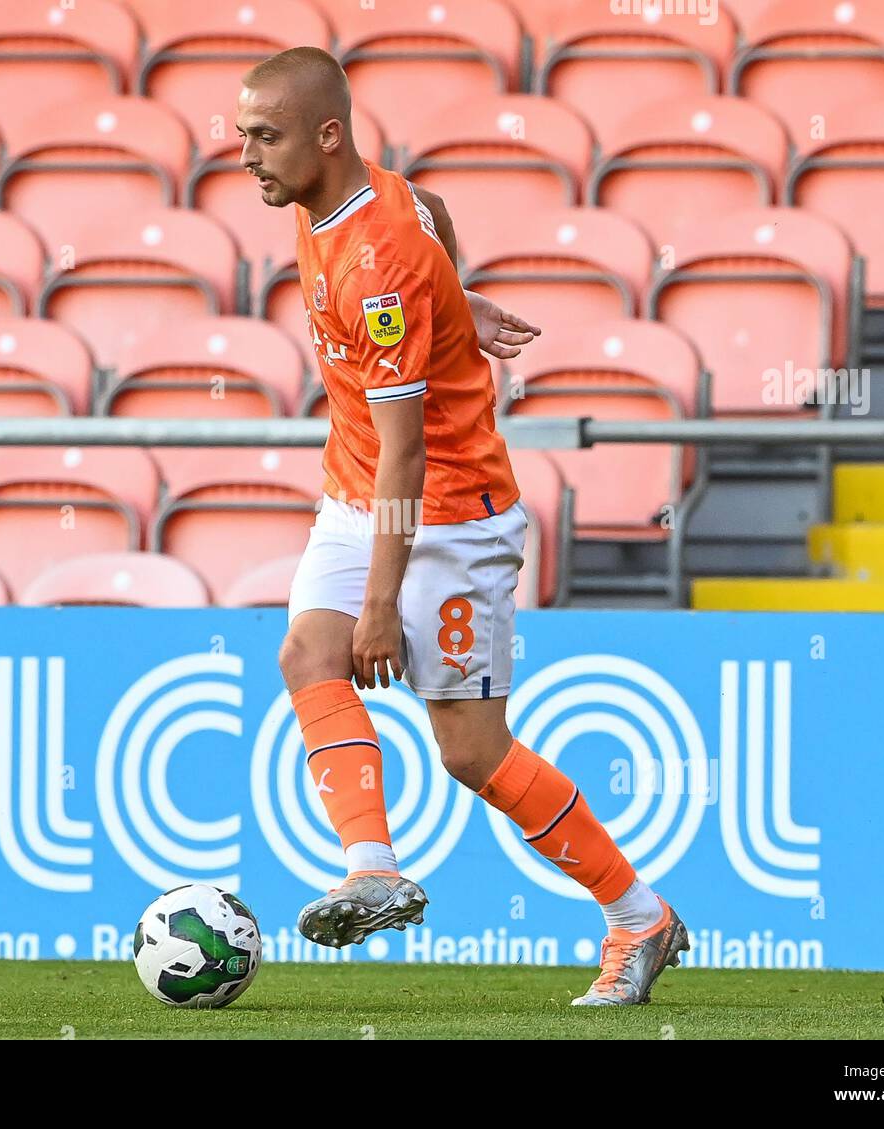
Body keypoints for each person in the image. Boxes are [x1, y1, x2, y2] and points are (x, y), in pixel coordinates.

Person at [237, 46, 688, 1004]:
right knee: (305, 653)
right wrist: (454, 302)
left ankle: (639, 915)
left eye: (265, 136)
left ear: (327, 136)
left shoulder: (376, 269)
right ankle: (373, 867)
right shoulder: (349, 199)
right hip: (356, 493)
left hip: (449, 514)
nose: (247, 156)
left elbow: (409, 455)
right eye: (244, 135)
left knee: (472, 752)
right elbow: (430, 209)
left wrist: (380, 603)